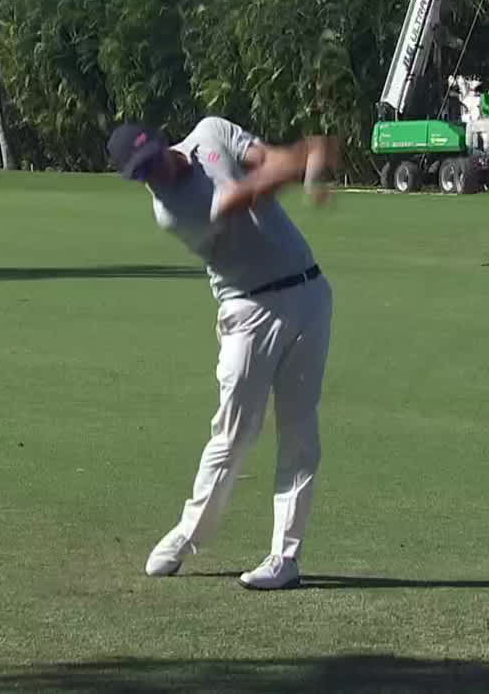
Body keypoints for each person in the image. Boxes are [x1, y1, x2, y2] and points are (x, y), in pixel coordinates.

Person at [107, 115, 338, 591]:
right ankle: (188, 535)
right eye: (141, 175)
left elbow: (264, 161)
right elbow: (246, 196)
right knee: (233, 433)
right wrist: (307, 155)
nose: (153, 177)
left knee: (300, 430)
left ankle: (284, 557)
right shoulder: (170, 211)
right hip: (246, 309)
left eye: (152, 164)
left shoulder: (211, 132)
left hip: (310, 293)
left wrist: (293, 160)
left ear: (163, 143)